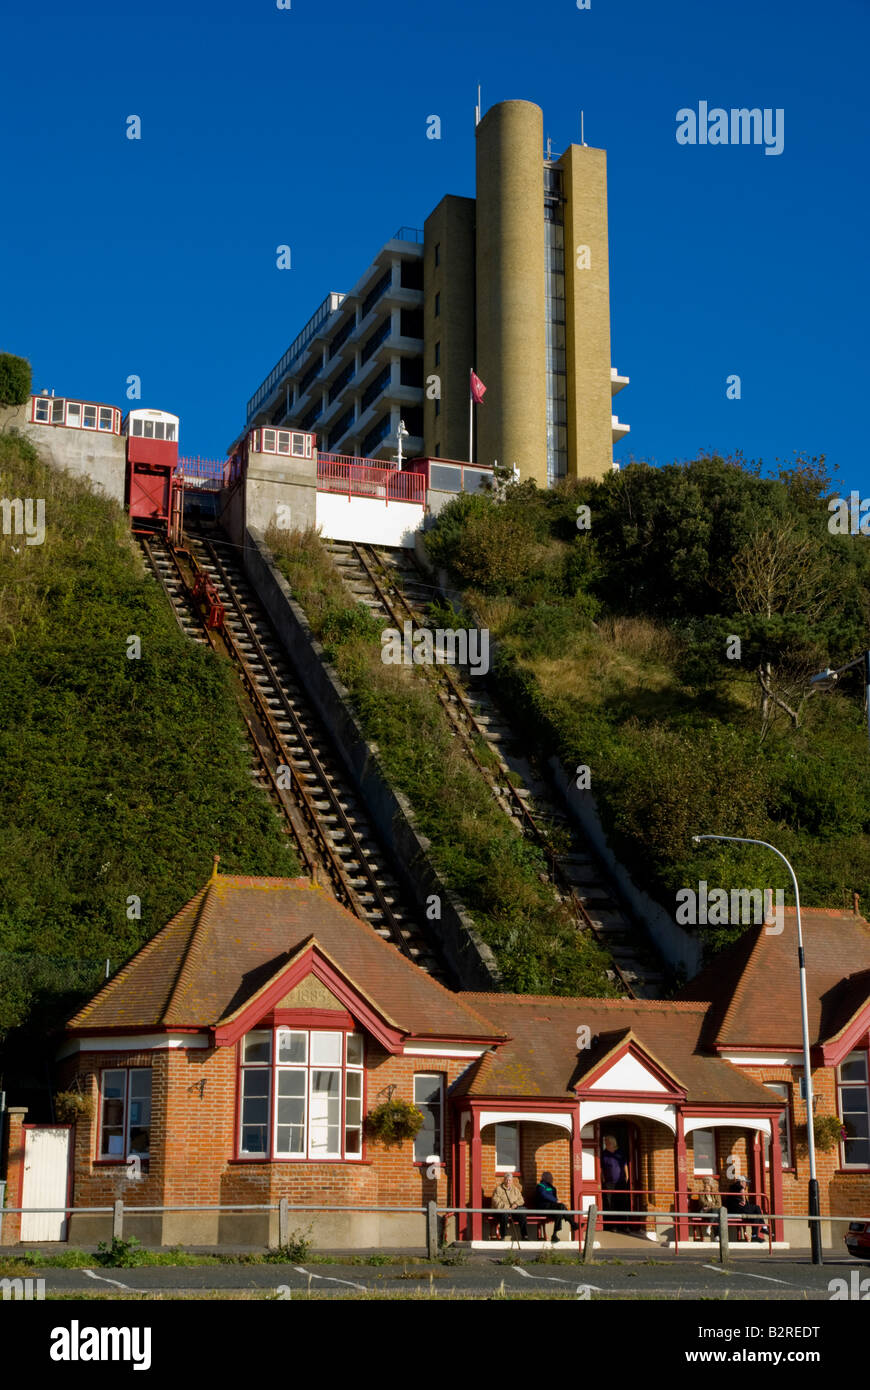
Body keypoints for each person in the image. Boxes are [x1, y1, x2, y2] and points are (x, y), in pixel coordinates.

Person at [535, 1170, 578, 1243]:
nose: (552, 1179)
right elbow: (543, 1195)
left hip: (552, 1208)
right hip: (543, 1207)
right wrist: (555, 1200)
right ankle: (572, 1223)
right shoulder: (540, 1186)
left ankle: (554, 1235)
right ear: (544, 1178)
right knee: (560, 1207)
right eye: (550, 1177)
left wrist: (556, 1202)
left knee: (560, 1210)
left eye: (551, 1177)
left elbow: (555, 1201)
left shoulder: (553, 1188)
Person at [600, 1134, 630, 1231]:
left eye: (607, 1141)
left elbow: (625, 1166)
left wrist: (627, 1177)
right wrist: (603, 1180)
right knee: (610, 1204)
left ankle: (624, 1226)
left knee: (622, 1203)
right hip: (609, 1183)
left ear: (612, 1142)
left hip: (621, 1182)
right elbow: (601, 1168)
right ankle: (613, 1226)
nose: (605, 1143)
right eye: (605, 1142)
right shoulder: (604, 1154)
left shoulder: (620, 1153)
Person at [724, 1177, 769, 1242]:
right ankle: (764, 1227)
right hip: (736, 1209)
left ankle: (754, 1236)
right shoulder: (736, 1185)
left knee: (756, 1216)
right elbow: (742, 1190)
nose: (746, 1185)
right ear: (741, 1182)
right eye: (745, 1183)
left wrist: (744, 1201)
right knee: (757, 1208)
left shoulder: (736, 1187)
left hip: (740, 1209)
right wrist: (744, 1200)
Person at [490, 1173, 528, 1240]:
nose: (508, 1182)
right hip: (501, 1211)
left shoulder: (515, 1189)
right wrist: (507, 1207)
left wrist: (515, 1204)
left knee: (522, 1213)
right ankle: (503, 1236)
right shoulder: (498, 1189)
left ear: (512, 1181)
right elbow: (496, 1202)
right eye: (506, 1180)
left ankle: (524, 1235)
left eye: (509, 1180)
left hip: (513, 1210)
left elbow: (521, 1200)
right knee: (504, 1214)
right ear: (504, 1180)